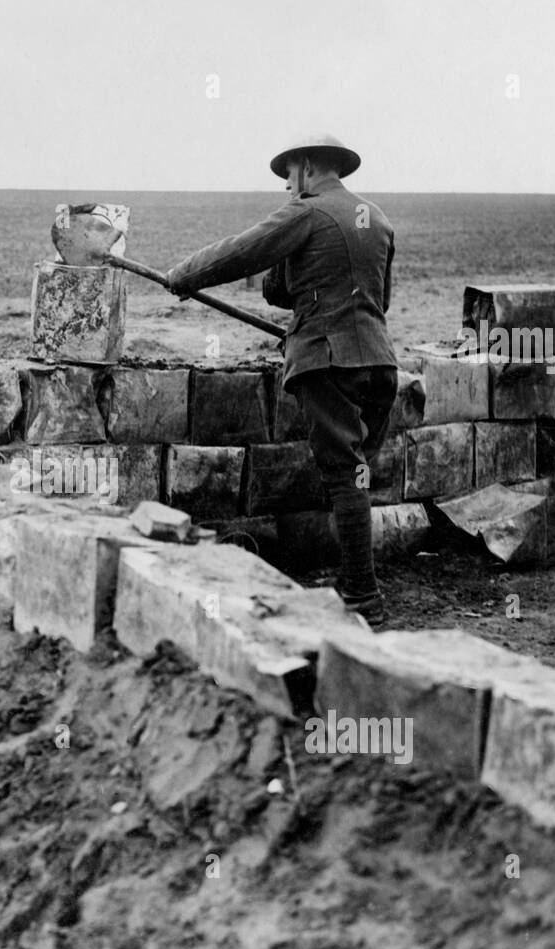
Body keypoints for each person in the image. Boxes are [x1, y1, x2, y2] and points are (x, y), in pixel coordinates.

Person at [166, 133, 397, 626]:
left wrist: (185, 275)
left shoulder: (307, 213)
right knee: (356, 475)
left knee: (342, 476)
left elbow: (240, 251)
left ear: (307, 168)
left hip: (327, 362)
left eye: (289, 175)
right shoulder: (377, 219)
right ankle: (354, 585)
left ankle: (363, 598)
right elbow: (372, 298)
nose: (286, 187)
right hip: (379, 363)